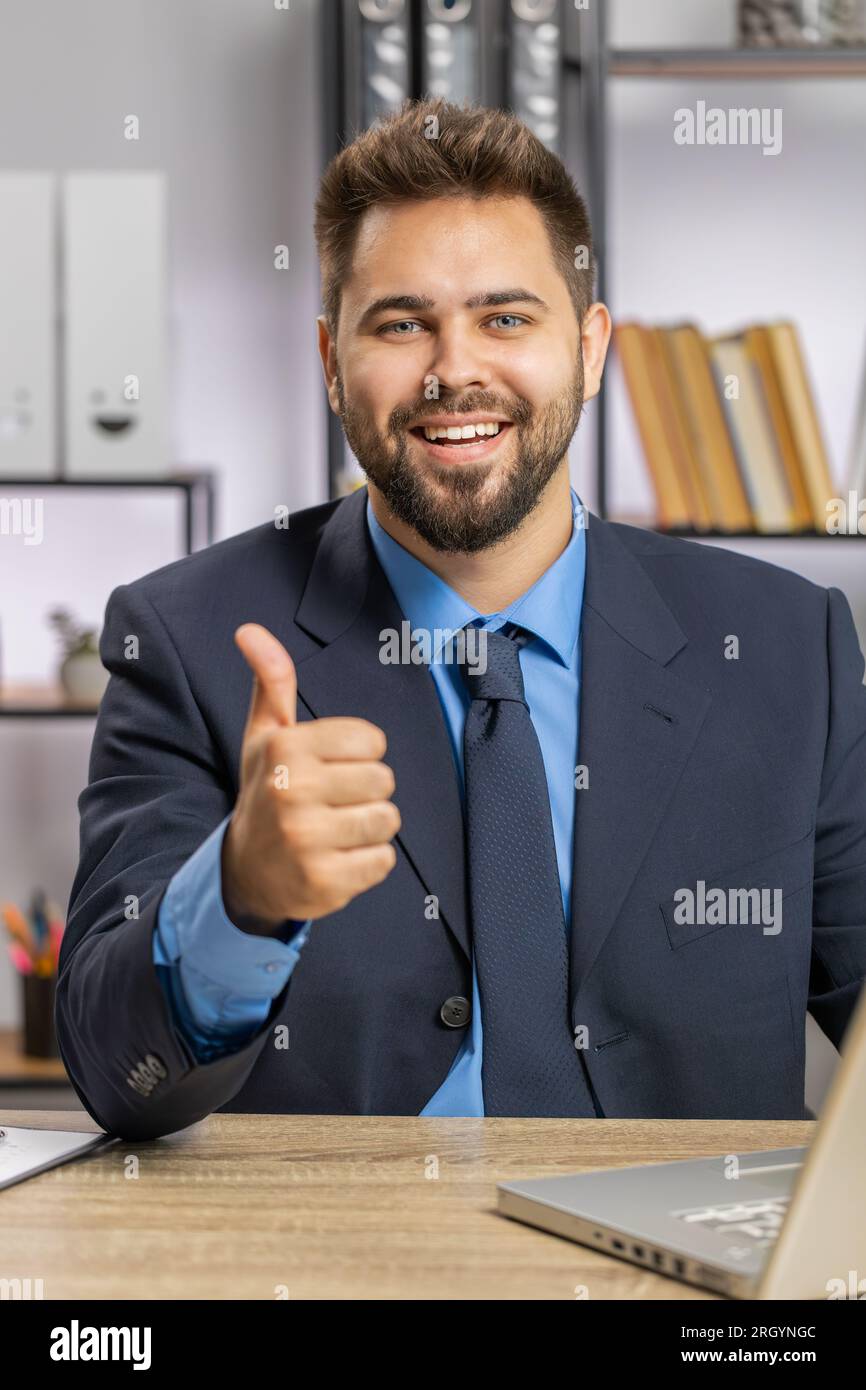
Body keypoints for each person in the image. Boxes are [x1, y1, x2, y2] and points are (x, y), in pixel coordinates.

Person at [58, 98, 866, 1140]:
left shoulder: (784, 645)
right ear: (329, 358)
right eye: (401, 323)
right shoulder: (187, 640)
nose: (453, 370)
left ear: (586, 347)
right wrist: (238, 895)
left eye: (504, 317)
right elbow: (113, 1070)